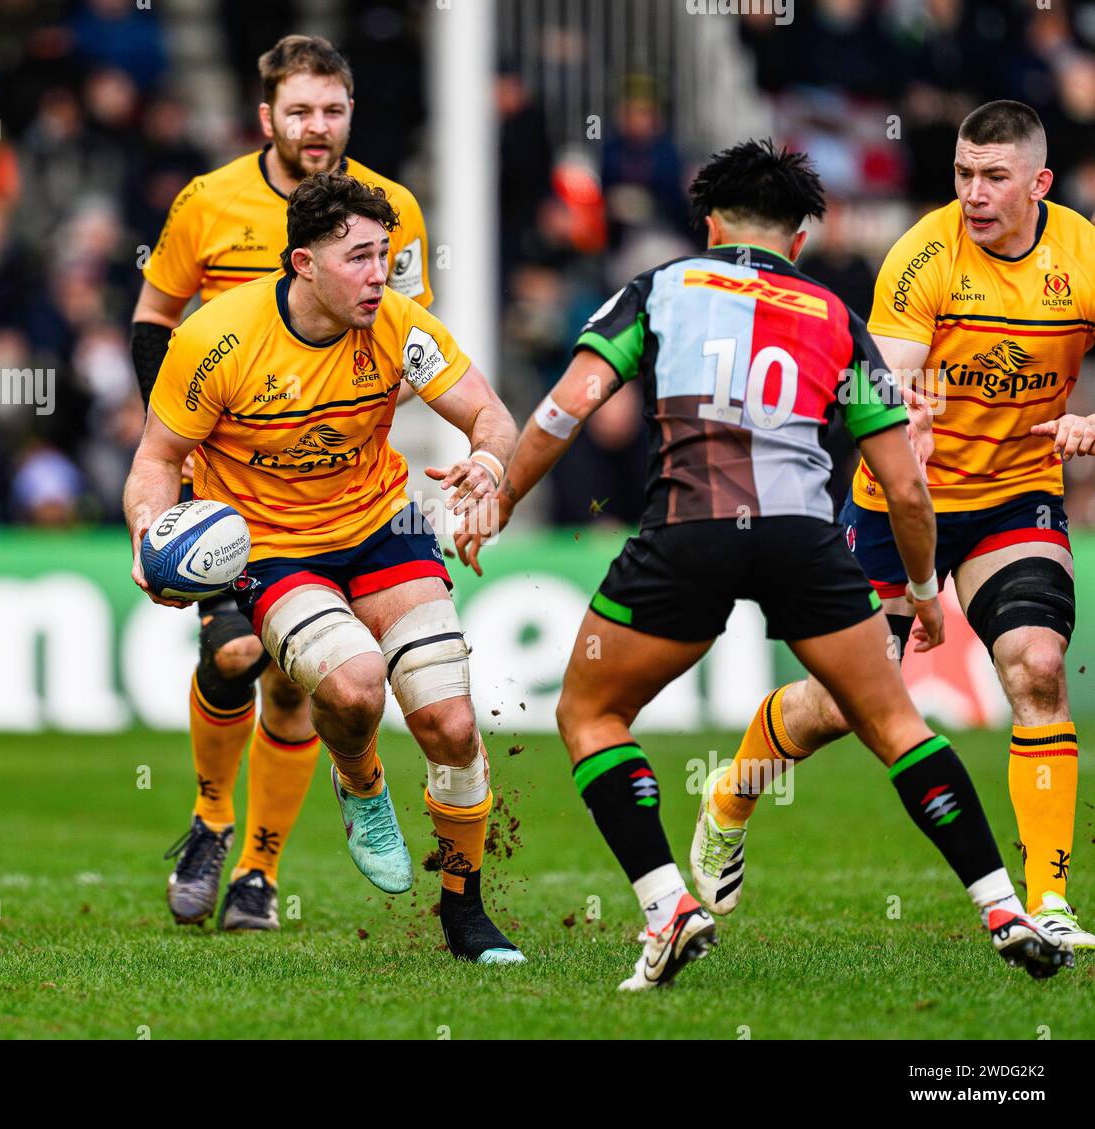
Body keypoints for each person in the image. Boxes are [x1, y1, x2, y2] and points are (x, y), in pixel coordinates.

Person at [472, 139, 1072, 989]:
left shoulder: (662, 287)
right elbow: (904, 487)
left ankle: (667, 908)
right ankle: (1004, 905)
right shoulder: (835, 315)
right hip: (804, 540)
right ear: (799, 241)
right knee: (897, 725)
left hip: (689, 532)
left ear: (709, 225)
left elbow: (568, 409)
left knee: (591, 712)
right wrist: (920, 589)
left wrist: (500, 492)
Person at [699, 102, 1095, 951]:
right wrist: (905, 413)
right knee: (843, 706)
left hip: (1013, 495)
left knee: (1038, 666)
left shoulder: (1085, 255)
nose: (974, 194)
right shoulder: (923, 255)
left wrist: (1088, 423)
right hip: (897, 502)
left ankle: (1051, 900)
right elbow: (885, 381)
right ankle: (732, 791)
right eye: (962, 174)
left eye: (994, 177)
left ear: (1040, 184)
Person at [125, 172, 524, 964]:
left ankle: (465, 913)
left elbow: (489, 411)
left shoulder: (398, 324)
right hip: (270, 543)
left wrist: (486, 461)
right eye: (360, 259)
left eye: (385, 256)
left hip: (384, 521)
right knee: (352, 686)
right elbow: (156, 457)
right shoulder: (216, 339)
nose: (381, 275)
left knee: (448, 723)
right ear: (303, 264)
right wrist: (146, 531)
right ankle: (362, 781)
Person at [130, 35, 432, 932]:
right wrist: (174, 442)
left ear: (350, 114)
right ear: (267, 116)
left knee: (297, 684)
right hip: (223, 478)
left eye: (332, 110)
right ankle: (213, 818)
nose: (317, 127)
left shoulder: (392, 210)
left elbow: (411, 337)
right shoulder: (207, 202)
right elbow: (155, 317)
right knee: (235, 654)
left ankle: (259, 873)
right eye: (299, 110)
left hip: (335, 489)